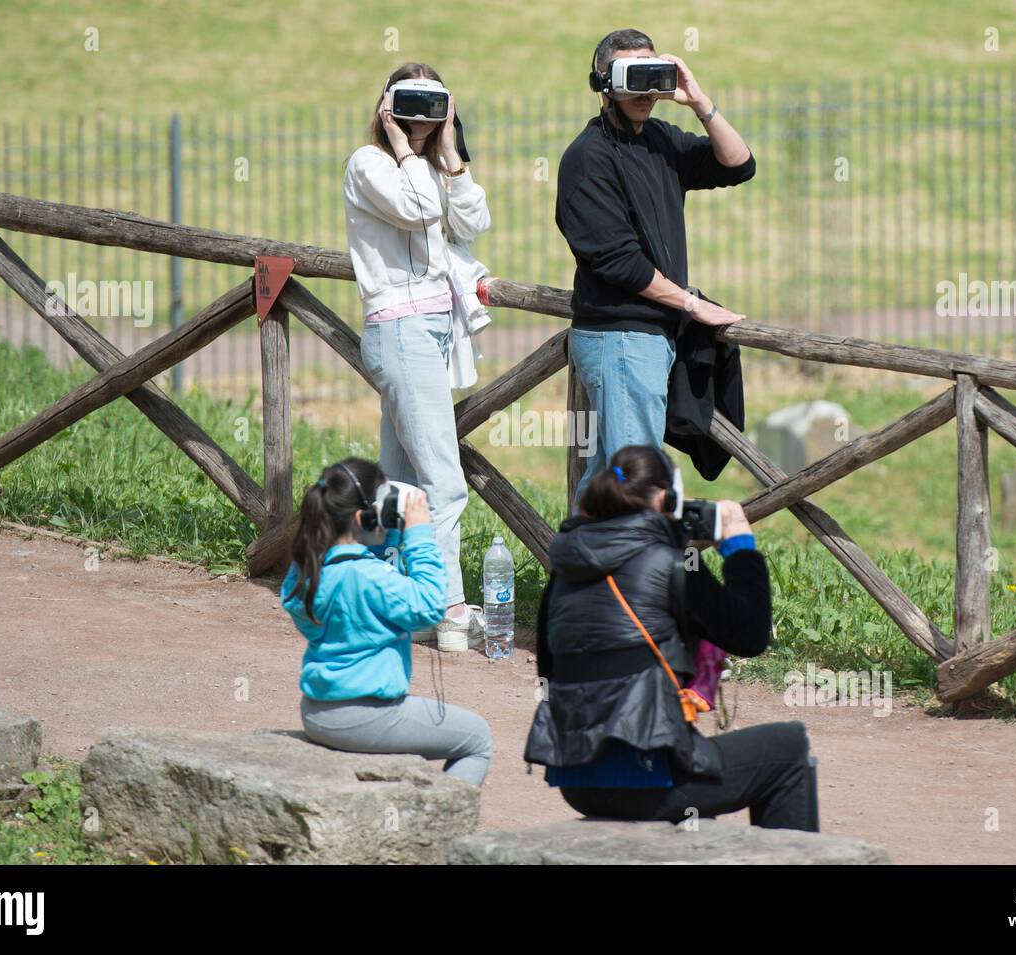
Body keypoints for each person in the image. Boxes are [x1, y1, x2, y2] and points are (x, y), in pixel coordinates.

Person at [524, 445, 818, 829]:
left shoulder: (563, 574)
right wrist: (740, 550)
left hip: (576, 778)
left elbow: (553, 671)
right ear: (669, 498)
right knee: (790, 748)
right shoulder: (674, 566)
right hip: (652, 780)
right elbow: (751, 636)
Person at [557, 29, 756, 508]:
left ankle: (579, 578)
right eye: (632, 77)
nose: (646, 91)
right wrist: (691, 304)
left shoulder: (660, 139)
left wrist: (699, 101)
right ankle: (612, 580)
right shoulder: (587, 158)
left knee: (613, 478)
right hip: (620, 339)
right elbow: (618, 261)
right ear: (603, 82)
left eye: (653, 75)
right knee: (632, 484)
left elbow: (738, 165)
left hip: (646, 338)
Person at [344, 62, 491, 650]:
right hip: (400, 331)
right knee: (444, 483)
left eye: (434, 104)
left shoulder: (431, 168)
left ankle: (375, 597)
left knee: (401, 480)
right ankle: (448, 611)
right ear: (386, 106)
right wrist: (404, 146)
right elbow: (415, 210)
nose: (422, 116)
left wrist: (451, 152)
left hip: (427, 332)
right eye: (409, 103)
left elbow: (472, 222)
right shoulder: (370, 163)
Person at [281, 458, 492, 787]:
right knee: (478, 738)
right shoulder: (369, 577)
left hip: (316, 711)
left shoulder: (311, 571)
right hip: (367, 717)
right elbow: (431, 607)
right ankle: (435, 825)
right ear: (362, 517)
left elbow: (317, 593)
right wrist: (420, 534)